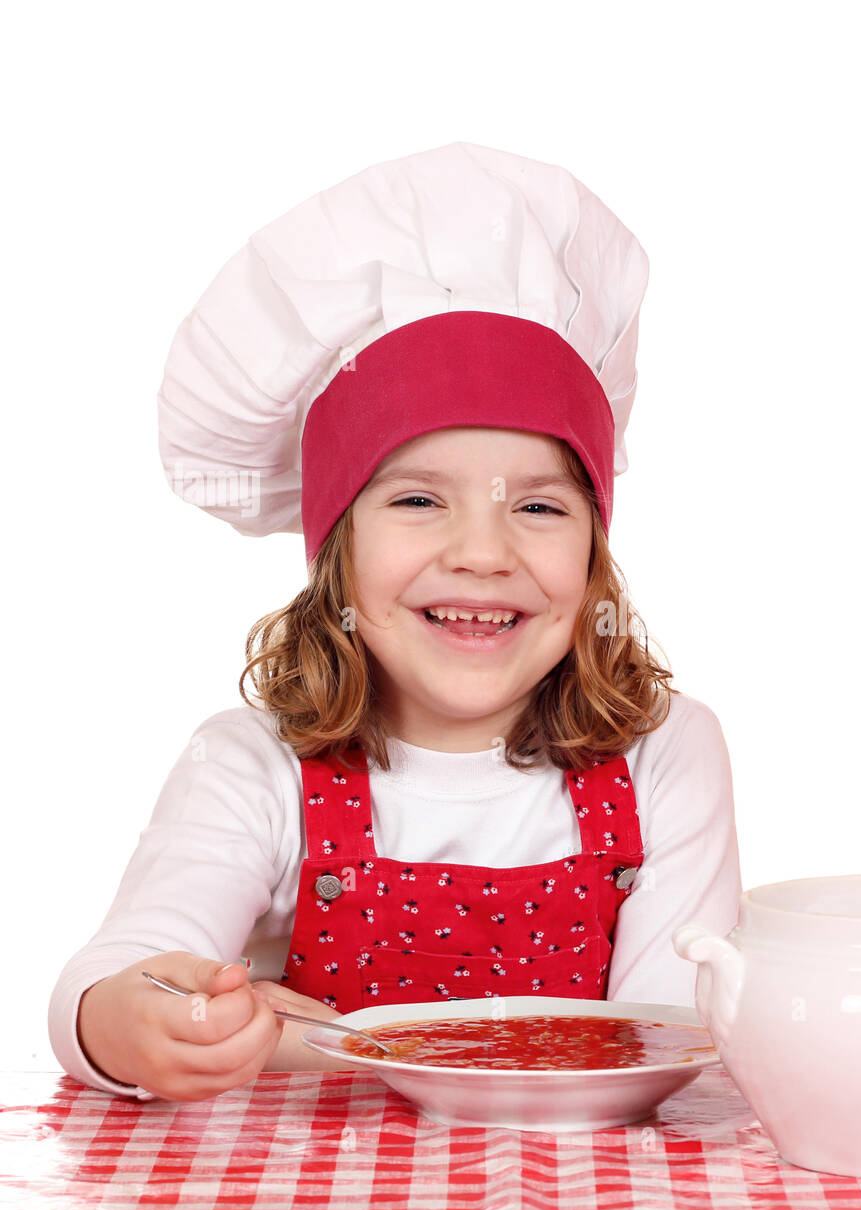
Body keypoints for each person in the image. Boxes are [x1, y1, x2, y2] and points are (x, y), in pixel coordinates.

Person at [48, 143, 743, 1103]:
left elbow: (663, 1046)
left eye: (539, 508)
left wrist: (331, 1036)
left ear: (592, 556)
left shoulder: (667, 754)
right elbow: (116, 975)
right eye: (418, 501)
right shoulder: (252, 767)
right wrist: (134, 1017)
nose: (483, 552)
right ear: (334, 547)